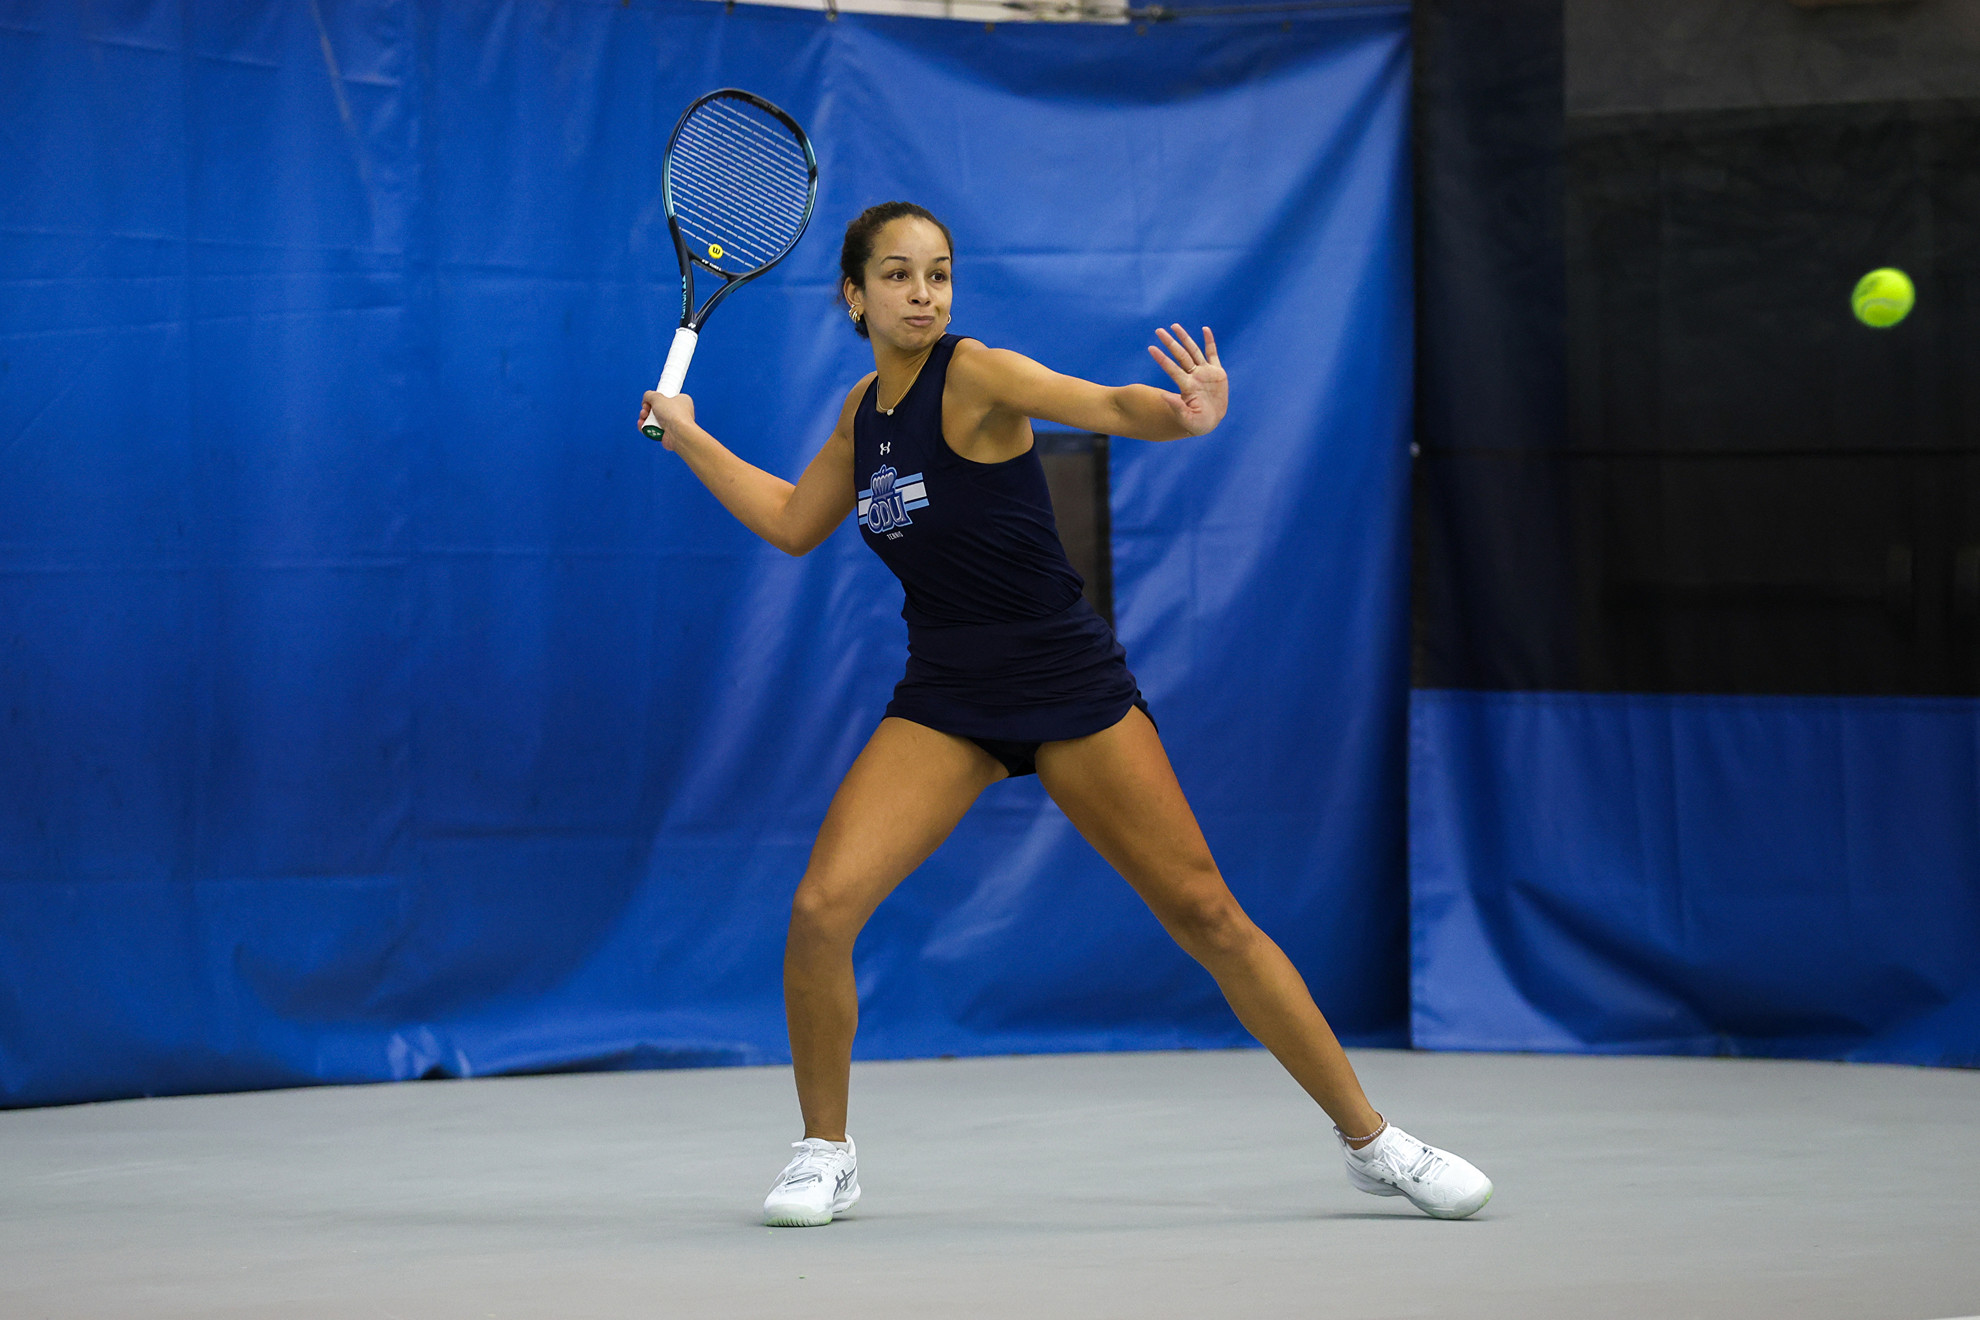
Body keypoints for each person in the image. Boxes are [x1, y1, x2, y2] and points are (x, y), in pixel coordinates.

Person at [639, 201, 1491, 1228]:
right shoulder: (860, 414)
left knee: (1207, 914)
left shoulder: (980, 372)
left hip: (1067, 687)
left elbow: (1103, 401)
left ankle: (1374, 1141)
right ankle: (826, 1152)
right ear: (854, 295)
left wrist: (1184, 412)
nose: (923, 295)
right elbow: (789, 523)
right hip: (947, 698)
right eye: (900, 276)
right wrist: (690, 440)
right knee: (822, 910)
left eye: (939, 275)